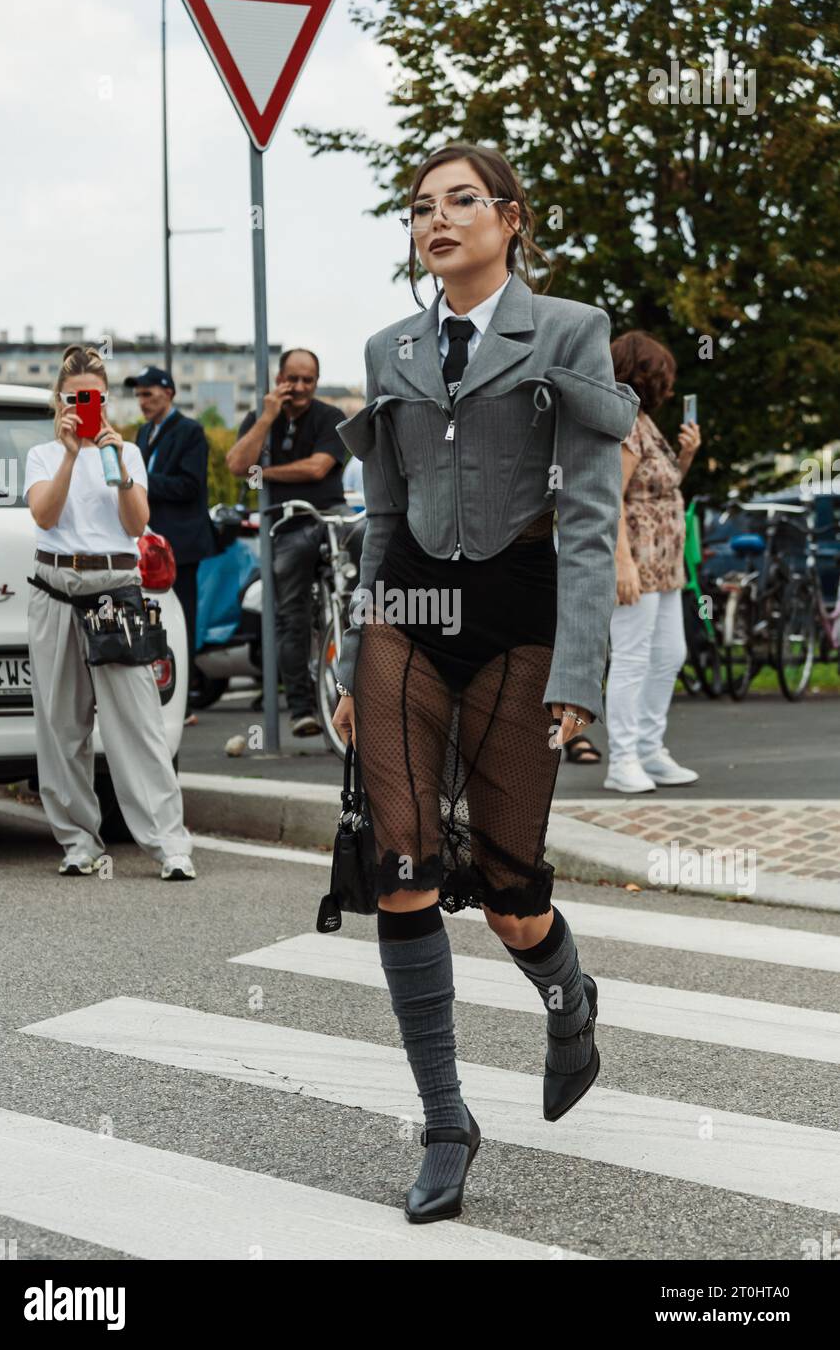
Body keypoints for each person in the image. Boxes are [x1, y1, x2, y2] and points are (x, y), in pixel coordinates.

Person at [330, 143, 639, 1224]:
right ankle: (446, 1119)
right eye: (421, 206)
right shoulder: (386, 347)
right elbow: (377, 514)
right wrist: (348, 654)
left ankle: (568, 995)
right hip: (405, 619)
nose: (437, 218)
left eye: (461, 200)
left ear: (509, 219)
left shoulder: (568, 331)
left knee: (510, 893)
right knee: (400, 863)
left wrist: (581, 671)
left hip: (518, 622)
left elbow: (592, 521)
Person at [23, 344, 196, 880]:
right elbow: (45, 516)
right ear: (60, 398)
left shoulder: (128, 454)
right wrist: (73, 453)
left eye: (94, 397)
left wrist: (114, 462)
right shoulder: (43, 456)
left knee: (138, 726)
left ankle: (170, 845)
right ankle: (78, 841)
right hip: (55, 587)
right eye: (76, 398)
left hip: (114, 593)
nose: (84, 406)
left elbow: (135, 523)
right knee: (61, 726)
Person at [226, 349, 350, 738]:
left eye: (307, 380)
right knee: (290, 615)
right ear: (278, 379)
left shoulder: (331, 417)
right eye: (291, 379)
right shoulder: (260, 418)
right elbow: (235, 465)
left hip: (330, 516)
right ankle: (302, 709)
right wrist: (266, 418)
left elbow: (319, 467)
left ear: (316, 381)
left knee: (369, 576)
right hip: (286, 526)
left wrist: (262, 472)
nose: (298, 387)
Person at [604, 330, 702, 793]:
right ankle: (623, 759)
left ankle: (648, 749)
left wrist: (685, 457)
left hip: (664, 565)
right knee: (632, 658)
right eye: (662, 373)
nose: (668, 382)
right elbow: (612, 499)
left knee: (668, 654)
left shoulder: (644, 422)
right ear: (643, 373)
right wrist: (623, 563)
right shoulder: (625, 422)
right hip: (638, 562)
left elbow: (661, 487)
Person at [126, 366, 214, 726]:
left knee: (182, 621)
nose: (143, 402)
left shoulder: (190, 431)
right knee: (150, 620)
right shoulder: (144, 432)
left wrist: (140, 481)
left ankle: (184, 701)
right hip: (149, 545)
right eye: (139, 395)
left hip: (181, 546)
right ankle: (154, 692)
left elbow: (189, 485)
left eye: (149, 394)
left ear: (170, 393)